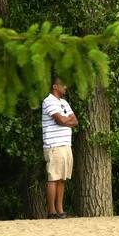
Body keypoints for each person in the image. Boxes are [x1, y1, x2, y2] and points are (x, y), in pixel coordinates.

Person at [42, 76, 78, 219]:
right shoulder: (48, 101)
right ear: (55, 87)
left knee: (62, 178)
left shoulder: (63, 102)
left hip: (66, 144)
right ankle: (51, 212)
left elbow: (75, 121)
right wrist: (65, 121)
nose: (66, 87)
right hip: (54, 144)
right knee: (53, 177)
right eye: (63, 85)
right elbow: (60, 120)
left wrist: (65, 121)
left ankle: (60, 209)